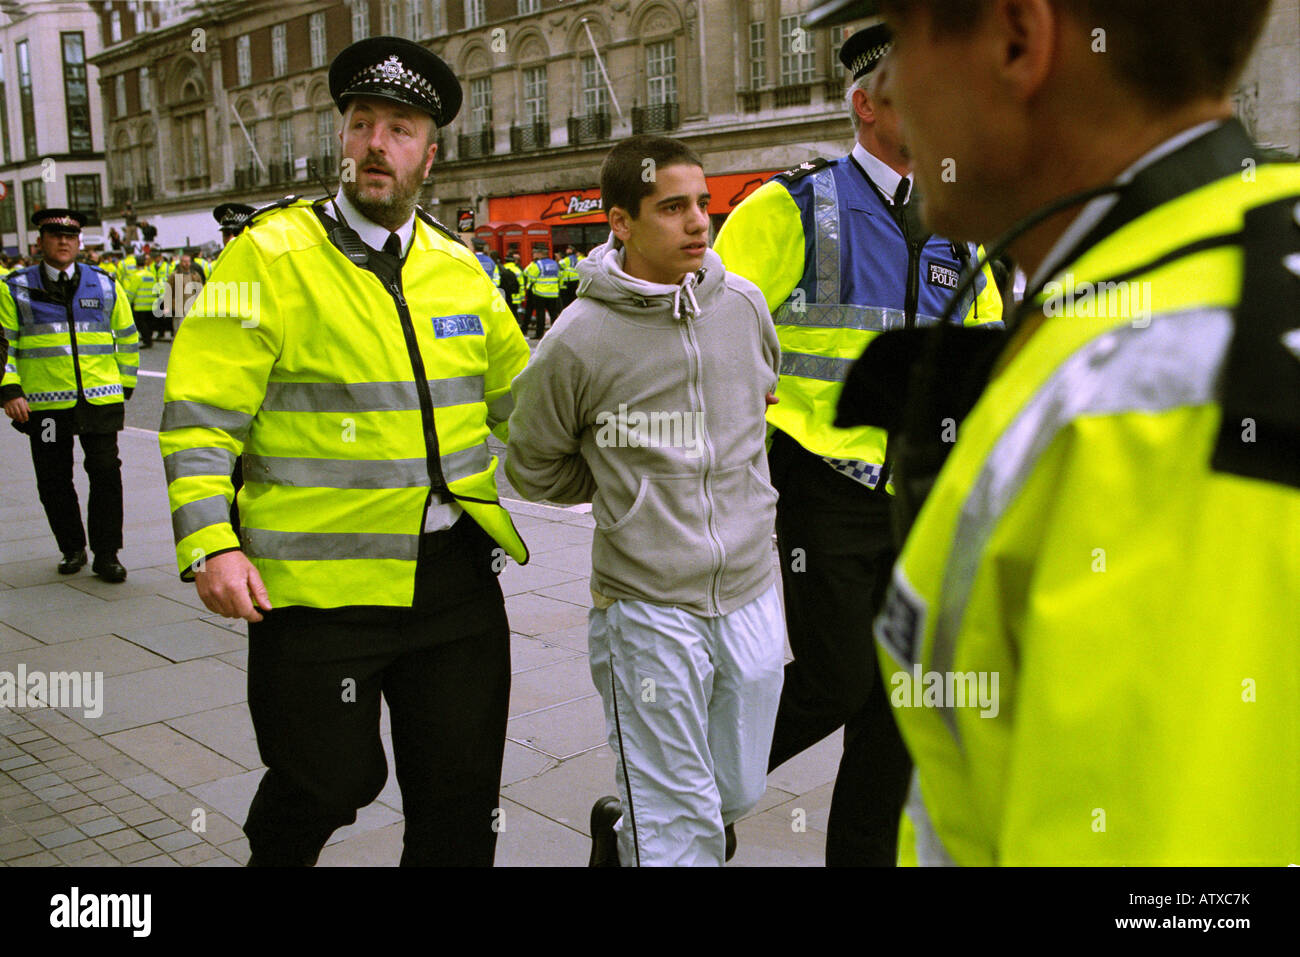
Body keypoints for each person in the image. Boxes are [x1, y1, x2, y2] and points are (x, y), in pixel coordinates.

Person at [843, 0, 1300, 866]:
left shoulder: (1161, 391)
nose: (890, 84)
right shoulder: (1213, 278)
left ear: (1018, 38)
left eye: (902, 36)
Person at [159, 35, 531, 867]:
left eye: (399, 129)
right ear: (342, 139)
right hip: (317, 589)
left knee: (461, 800)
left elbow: (529, 404)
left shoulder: (460, 270)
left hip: (454, 580)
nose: (376, 142)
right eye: (361, 123)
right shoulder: (270, 254)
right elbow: (199, 416)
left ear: (429, 156)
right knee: (325, 780)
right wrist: (210, 541)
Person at [712, 22, 1003, 867]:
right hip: (822, 479)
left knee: (898, 705)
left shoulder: (963, 216)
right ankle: (680, 785)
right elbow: (714, 331)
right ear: (866, 103)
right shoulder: (792, 203)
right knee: (835, 677)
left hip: (922, 491)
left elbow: (980, 353)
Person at [507, 134, 785, 867]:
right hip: (647, 605)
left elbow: (762, 401)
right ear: (621, 222)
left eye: (703, 203)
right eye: (673, 207)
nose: (699, 222)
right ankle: (650, 839)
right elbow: (533, 462)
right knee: (677, 819)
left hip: (753, 586)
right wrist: (625, 493)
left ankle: (624, 836)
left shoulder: (745, 306)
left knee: (737, 789)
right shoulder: (578, 339)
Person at [0, 209, 137, 582]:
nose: (63, 242)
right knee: (53, 476)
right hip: (44, 408)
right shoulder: (15, 286)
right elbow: (3, 344)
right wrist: (10, 390)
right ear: (40, 241)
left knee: (106, 473)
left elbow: (126, 335)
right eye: (55, 235)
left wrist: (123, 385)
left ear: (79, 242)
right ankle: (72, 547)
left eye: (71, 236)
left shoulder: (106, 284)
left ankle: (108, 554)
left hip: (100, 400)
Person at [124, 245, 167, 348]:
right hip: (150, 303)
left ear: (136, 265)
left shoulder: (136, 276)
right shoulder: (151, 275)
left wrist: (128, 302)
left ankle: (147, 341)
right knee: (148, 323)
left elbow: (132, 292)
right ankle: (149, 339)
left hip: (140, 305)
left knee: (141, 324)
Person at [521, 246, 562, 340]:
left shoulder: (537, 264)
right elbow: (560, 276)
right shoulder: (555, 264)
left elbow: (530, 277)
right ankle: (557, 334)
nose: (533, 254)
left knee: (540, 314)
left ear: (540, 254)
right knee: (553, 314)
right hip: (553, 293)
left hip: (540, 293)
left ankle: (539, 334)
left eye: (534, 253)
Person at [501, 251, 526, 326]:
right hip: (516, 295)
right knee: (516, 311)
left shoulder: (502, 269)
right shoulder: (518, 270)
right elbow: (522, 284)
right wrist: (522, 297)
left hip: (506, 295)